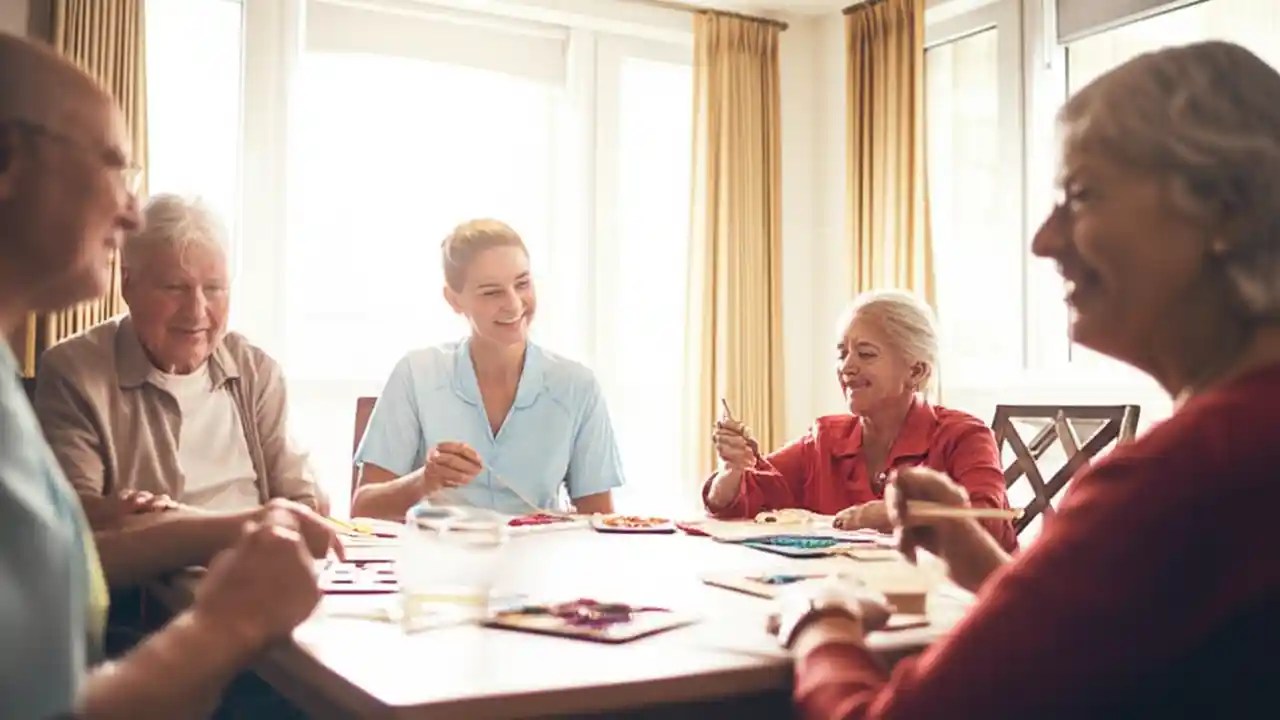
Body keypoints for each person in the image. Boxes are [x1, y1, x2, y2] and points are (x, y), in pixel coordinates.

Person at [774, 41, 1280, 718]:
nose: (1044, 239)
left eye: (1081, 195)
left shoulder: (1186, 475)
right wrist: (975, 554)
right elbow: (1116, 643)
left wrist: (821, 615)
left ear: (1227, 210)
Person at [0, 32, 335, 719]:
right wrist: (227, 625)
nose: (128, 212)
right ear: (7, 159)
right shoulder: (69, 371)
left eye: (214, 287)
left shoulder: (7, 378)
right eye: (114, 167)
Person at [34, 194, 329, 586]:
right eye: (175, 287)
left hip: (256, 584)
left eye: (214, 288)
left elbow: (301, 501)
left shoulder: (256, 372)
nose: (197, 311)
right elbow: (77, 529)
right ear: (128, 285)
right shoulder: (74, 372)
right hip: (150, 607)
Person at [352, 219, 625, 519]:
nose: (514, 304)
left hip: (541, 558)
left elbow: (601, 520)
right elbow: (363, 510)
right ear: (454, 300)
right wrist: (424, 480)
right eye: (492, 292)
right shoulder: (416, 374)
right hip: (439, 558)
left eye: (522, 284)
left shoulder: (577, 386)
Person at [705, 290, 1016, 551]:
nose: (847, 367)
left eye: (866, 354)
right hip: (858, 600)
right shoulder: (825, 438)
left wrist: (895, 514)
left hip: (958, 604)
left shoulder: (964, 436)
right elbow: (746, 499)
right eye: (842, 353)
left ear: (916, 372)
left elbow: (989, 523)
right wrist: (732, 470)